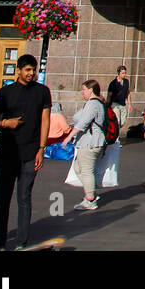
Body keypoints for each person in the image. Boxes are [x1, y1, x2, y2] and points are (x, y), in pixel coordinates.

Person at [0, 53, 51, 250]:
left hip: (30, 151)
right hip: (7, 151)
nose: (31, 73)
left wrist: (42, 148)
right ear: (19, 70)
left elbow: (45, 120)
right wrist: (7, 123)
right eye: (27, 70)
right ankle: (0, 242)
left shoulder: (42, 91)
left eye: (34, 70)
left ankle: (21, 242)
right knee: (4, 197)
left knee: (24, 196)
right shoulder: (5, 92)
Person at [63, 79, 107, 211]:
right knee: (78, 169)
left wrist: (68, 137)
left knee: (86, 171)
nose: (82, 92)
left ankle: (90, 199)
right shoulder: (95, 103)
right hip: (90, 141)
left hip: (90, 142)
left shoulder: (92, 104)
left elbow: (83, 123)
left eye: (84, 90)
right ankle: (91, 193)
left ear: (90, 90)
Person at [107, 66, 131, 132]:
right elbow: (109, 95)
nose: (124, 75)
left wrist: (129, 104)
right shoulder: (113, 83)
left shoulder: (126, 81)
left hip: (123, 103)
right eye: (123, 73)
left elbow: (128, 92)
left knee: (122, 122)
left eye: (125, 73)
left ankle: (115, 131)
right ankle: (116, 137)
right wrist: (108, 104)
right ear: (119, 73)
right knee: (117, 121)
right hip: (115, 103)